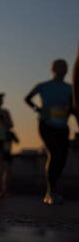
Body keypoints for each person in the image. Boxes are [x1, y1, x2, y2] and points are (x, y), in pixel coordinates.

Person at [25, 59, 73, 205]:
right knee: (54, 153)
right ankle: (51, 191)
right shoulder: (44, 86)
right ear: (53, 68)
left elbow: (75, 108)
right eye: (60, 66)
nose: (63, 68)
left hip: (63, 127)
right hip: (46, 124)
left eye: (65, 66)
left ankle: (52, 189)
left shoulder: (70, 88)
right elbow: (27, 99)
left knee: (62, 158)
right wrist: (37, 109)